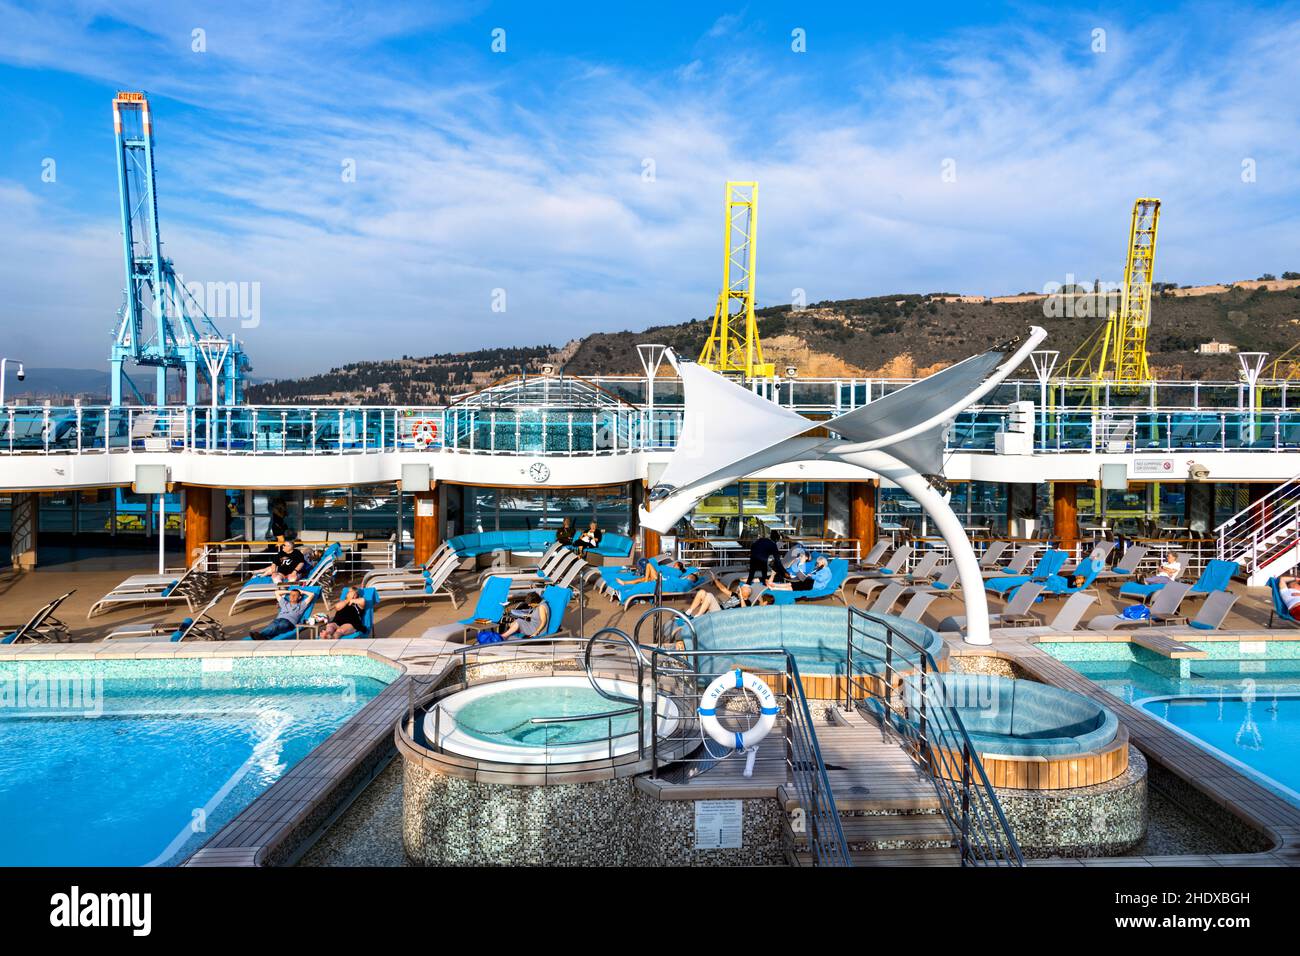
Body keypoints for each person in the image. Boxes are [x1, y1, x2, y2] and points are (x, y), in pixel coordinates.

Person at [685, 574, 760, 617]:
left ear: (746, 594)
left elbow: (744, 610)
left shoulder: (747, 602)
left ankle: (698, 617)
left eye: (742, 589)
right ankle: (688, 612)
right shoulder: (735, 595)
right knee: (702, 592)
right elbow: (723, 589)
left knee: (709, 595)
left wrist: (741, 598)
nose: (739, 588)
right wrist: (715, 579)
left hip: (722, 615)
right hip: (718, 608)